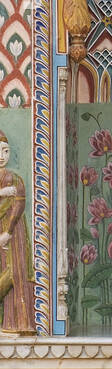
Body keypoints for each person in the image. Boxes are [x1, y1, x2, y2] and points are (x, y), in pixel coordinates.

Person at [0, 131, 36, 335]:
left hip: (13, 232)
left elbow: (18, 205)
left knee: (16, 272)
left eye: (5, 151)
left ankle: (18, 322)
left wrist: (9, 232)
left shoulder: (14, 178)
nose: (2, 155)